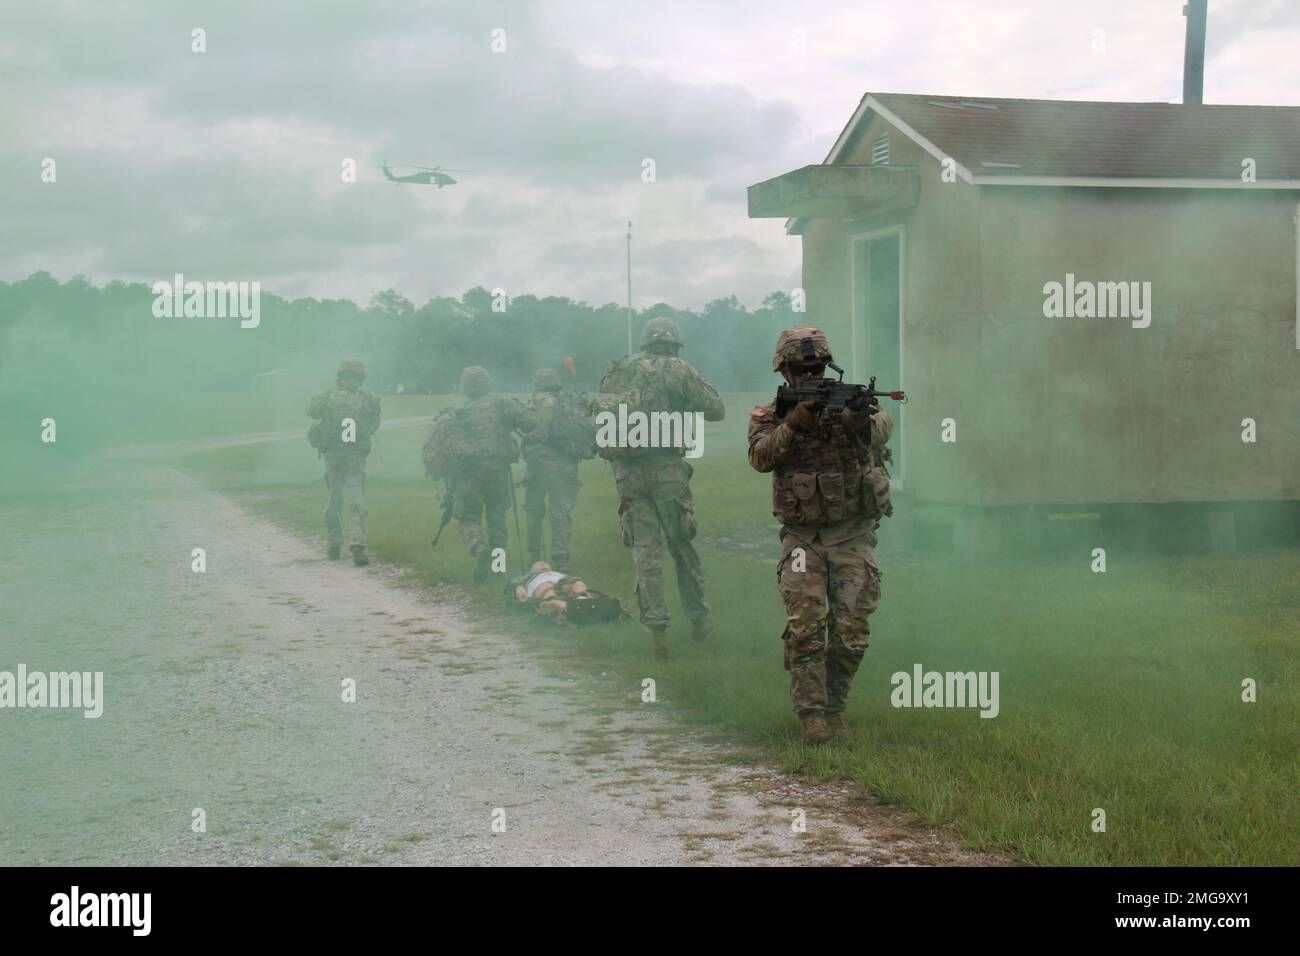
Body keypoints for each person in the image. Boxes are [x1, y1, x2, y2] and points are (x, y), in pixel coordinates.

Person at [747, 326, 895, 745]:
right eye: (800, 369)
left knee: (850, 633)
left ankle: (835, 709)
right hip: (803, 538)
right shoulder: (770, 413)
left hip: (852, 535)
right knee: (806, 626)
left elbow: (882, 428)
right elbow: (760, 456)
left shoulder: (854, 404)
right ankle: (812, 715)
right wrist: (794, 423)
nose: (809, 375)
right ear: (785, 372)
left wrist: (854, 421)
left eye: (815, 367)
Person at [595, 317, 725, 661]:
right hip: (667, 470)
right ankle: (699, 619)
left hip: (627, 474)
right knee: (682, 545)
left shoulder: (619, 369)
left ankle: (658, 633)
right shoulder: (678, 369)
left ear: (645, 343)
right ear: (675, 344)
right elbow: (716, 409)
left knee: (645, 552)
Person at [448, 366, 537, 583]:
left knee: (468, 516)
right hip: (498, 470)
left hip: (470, 472)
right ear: (489, 383)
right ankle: (498, 567)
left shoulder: (458, 414)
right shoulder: (502, 404)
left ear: (464, 388)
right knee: (497, 517)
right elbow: (531, 423)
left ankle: (478, 548)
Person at [307, 358, 382, 566]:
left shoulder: (328, 395)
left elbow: (311, 412)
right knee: (356, 499)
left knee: (334, 499)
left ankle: (334, 543)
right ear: (361, 376)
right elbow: (374, 425)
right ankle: (357, 545)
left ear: (340, 375)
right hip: (355, 456)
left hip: (333, 455)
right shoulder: (369, 397)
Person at [522, 368, 592, 573]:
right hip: (568, 464)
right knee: (560, 512)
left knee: (534, 510)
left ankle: (534, 556)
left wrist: (526, 447)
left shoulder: (541, 401)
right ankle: (561, 560)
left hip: (541, 464)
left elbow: (539, 431)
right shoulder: (569, 401)